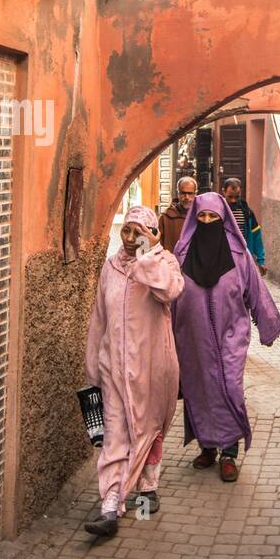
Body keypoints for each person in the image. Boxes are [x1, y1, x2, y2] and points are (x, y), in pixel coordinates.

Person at [83, 205, 184, 537]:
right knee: (116, 435)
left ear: (151, 234)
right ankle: (110, 505)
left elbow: (170, 290)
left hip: (152, 369)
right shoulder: (110, 268)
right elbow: (100, 318)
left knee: (148, 430)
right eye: (126, 230)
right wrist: (94, 367)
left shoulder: (164, 262)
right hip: (113, 368)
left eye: (137, 232)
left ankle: (148, 487)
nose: (129, 238)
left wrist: (149, 253)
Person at [172, 192, 280, 482]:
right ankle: (207, 448)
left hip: (231, 334)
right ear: (194, 219)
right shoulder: (182, 253)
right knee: (199, 389)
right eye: (202, 216)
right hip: (192, 338)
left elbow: (256, 290)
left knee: (229, 388)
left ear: (224, 220)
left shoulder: (239, 255)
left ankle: (229, 453)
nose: (208, 221)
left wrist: (268, 326)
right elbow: (169, 295)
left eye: (213, 217)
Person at [222, 178, 266, 275]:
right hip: (223, 260)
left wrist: (261, 261)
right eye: (230, 197)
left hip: (243, 259)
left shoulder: (247, 213)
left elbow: (256, 236)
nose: (233, 200)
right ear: (223, 192)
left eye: (237, 197)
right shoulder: (218, 212)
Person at [159, 176, 198, 252]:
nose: (186, 197)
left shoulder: (201, 216)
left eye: (190, 193)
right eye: (183, 193)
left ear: (195, 194)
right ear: (178, 193)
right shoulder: (165, 218)